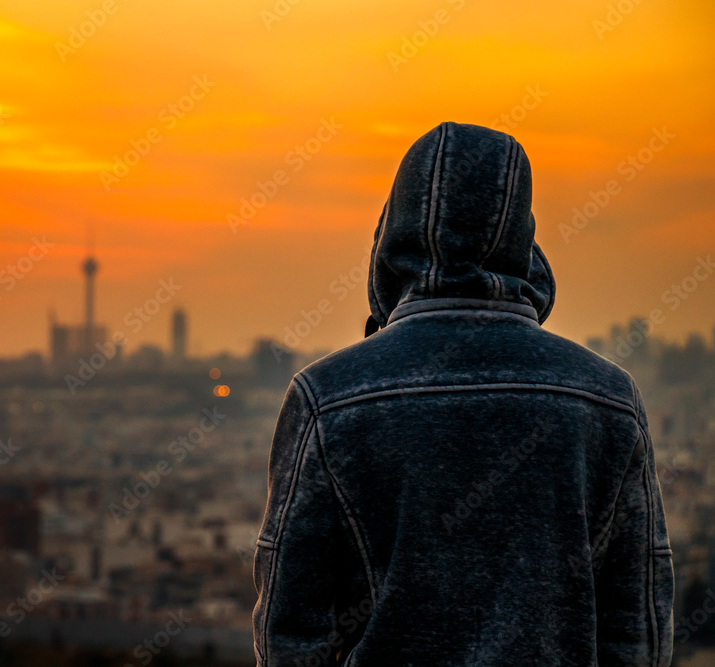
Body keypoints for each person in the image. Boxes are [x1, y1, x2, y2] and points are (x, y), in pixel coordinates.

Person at [251, 122, 674, 665]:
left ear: (395, 230)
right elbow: (636, 629)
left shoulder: (328, 398)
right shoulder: (607, 401)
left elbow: (290, 631)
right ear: (523, 237)